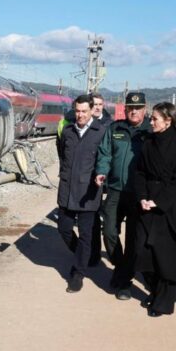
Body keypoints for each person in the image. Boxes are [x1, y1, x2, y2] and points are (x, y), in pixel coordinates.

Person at [132, 103, 176, 316]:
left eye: (155, 119)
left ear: (168, 121)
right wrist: (142, 197)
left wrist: (159, 202)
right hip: (146, 202)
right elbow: (139, 172)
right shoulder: (149, 141)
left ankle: (164, 301)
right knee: (143, 251)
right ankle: (155, 289)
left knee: (166, 256)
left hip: (169, 206)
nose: (151, 122)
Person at [95, 91, 152, 300]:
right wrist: (101, 171)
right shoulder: (115, 128)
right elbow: (105, 153)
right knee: (109, 231)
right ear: (125, 109)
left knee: (133, 240)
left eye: (138, 108)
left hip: (139, 194)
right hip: (116, 190)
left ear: (145, 109)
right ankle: (121, 269)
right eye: (130, 108)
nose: (134, 111)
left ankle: (124, 282)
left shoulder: (151, 131)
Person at [57, 94, 106, 293]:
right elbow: (62, 154)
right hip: (67, 189)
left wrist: (100, 176)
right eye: (77, 111)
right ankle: (82, 255)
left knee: (86, 235)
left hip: (89, 191)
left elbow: (104, 158)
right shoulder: (68, 131)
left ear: (93, 110)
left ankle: (78, 274)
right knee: (64, 228)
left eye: (84, 111)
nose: (80, 115)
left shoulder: (101, 132)